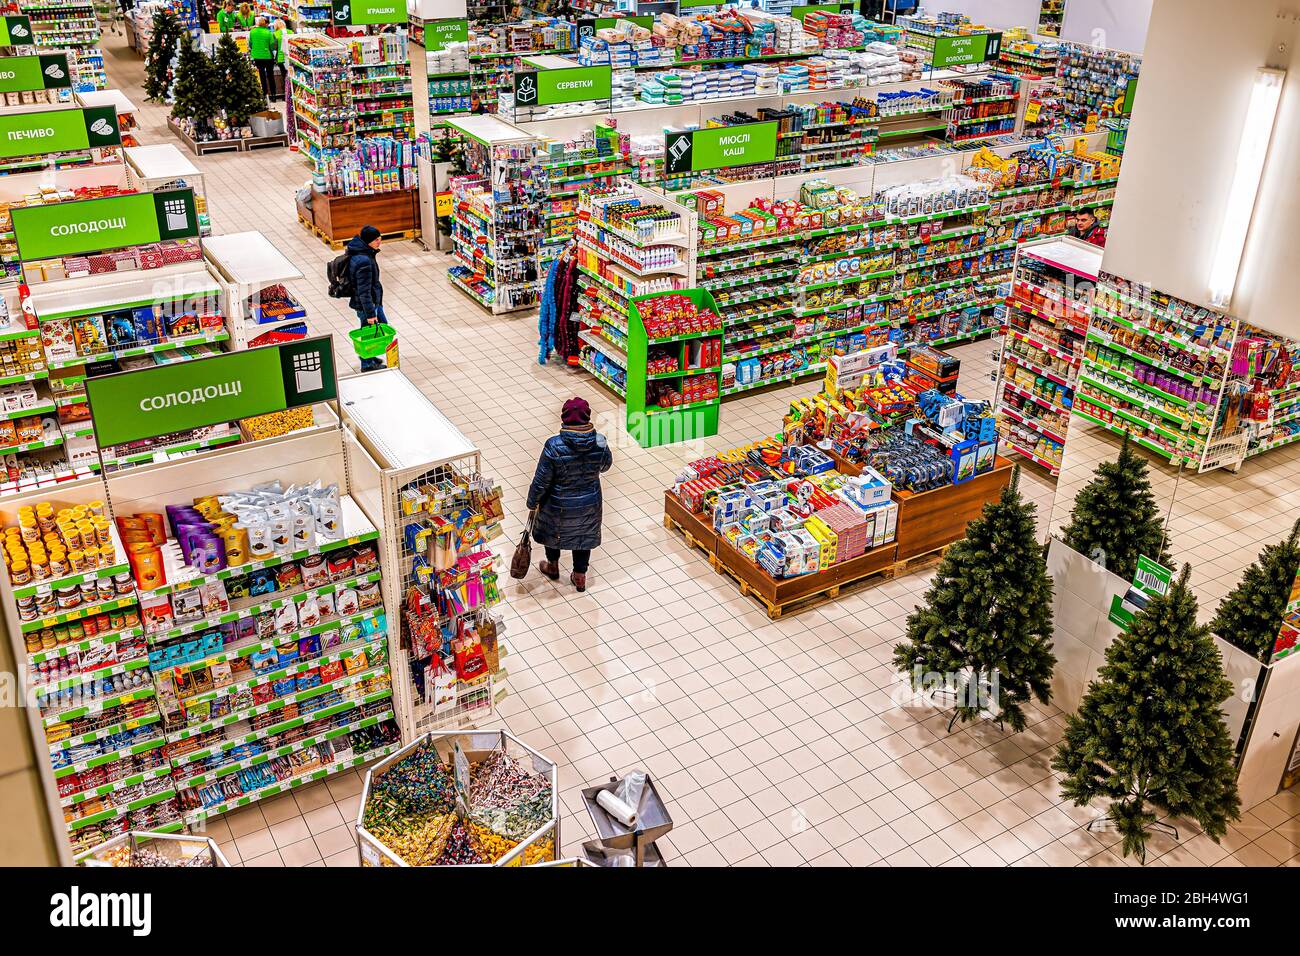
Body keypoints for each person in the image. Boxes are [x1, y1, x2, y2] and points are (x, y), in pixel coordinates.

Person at [526, 397, 613, 592]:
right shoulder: (599, 441)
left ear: (564, 418)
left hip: (557, 504)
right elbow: (606, 466)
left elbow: (541, 480)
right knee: (583, 535)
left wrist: (532, 501)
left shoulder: (554, 445)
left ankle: (553, 566)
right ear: (587, 417)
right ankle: (580, 576)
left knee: (552, 533)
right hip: (589, 501)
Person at [345, 225, 387, 372]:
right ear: (368, 241)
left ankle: (371, 356)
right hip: (367, 305)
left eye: (380, 239)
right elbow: (364, 291)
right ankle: (367, 364)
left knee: (380, 327)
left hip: (373, 302)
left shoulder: (363, 253)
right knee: (370, 333)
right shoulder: (364, 261)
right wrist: (370, 314)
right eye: (376, 240)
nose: (379, 242)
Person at [248, 16, 279, 99]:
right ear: (265, 24)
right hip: (268, 57)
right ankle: (273, 95)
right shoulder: (269, 33)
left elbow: (250, 44)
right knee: (270, 75)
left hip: (257, 56)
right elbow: (272, 46)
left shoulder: (252, 32)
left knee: (261, 75)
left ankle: (264, 95)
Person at [273, 18, 291, 99]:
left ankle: (286, 94)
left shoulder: (275, 34)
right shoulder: (291, 32)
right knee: (291, 75)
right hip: (290, 57)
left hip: (281, 58)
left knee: (284, 76)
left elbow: (274, 47)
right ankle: (292, 93)